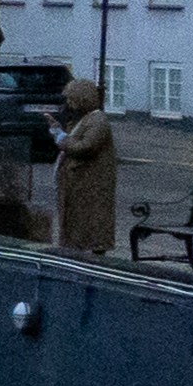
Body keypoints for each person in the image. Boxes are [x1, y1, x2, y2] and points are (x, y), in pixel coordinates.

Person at [52, 74, 120, 256]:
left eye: (71, 99)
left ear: (82, 99)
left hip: (91, 182)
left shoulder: (98, 121)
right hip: (80, 182)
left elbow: (84, 147)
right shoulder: (83, 119)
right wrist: (58, 130)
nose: (68, 103)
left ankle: (94, 251)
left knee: (92, 218)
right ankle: (74, 247)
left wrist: (61, 138)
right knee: (76, 218)